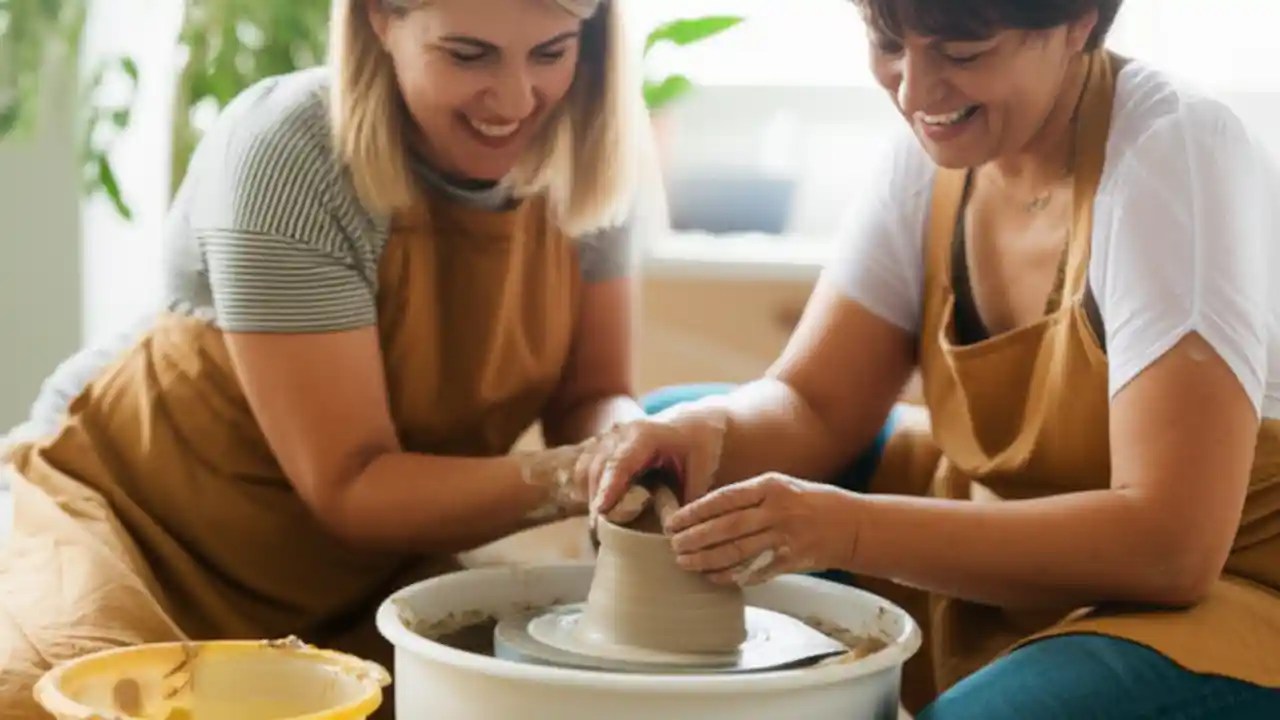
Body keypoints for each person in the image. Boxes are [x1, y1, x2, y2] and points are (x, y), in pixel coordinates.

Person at [589, 0, 1280, 717]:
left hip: (1219, 592)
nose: (915, 92)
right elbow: (815, 404)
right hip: (998, 521)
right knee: (683, 448)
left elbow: (1170, 548)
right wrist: (712, 428)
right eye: (888, 42)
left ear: (1078, 24)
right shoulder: (937, 152)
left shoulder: (1172, 155)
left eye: (963, 53)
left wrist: (848, 530)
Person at [0, 0, 654, 716]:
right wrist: (575, 477)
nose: (515, 98)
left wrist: (632, 454)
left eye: (551, 53)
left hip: (367, 573)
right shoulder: (291, 148)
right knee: (54, 703)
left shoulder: (581, 147)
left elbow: (590, 394)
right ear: (380, 19)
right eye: (468, 56)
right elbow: (350, 484)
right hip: (128, 527)